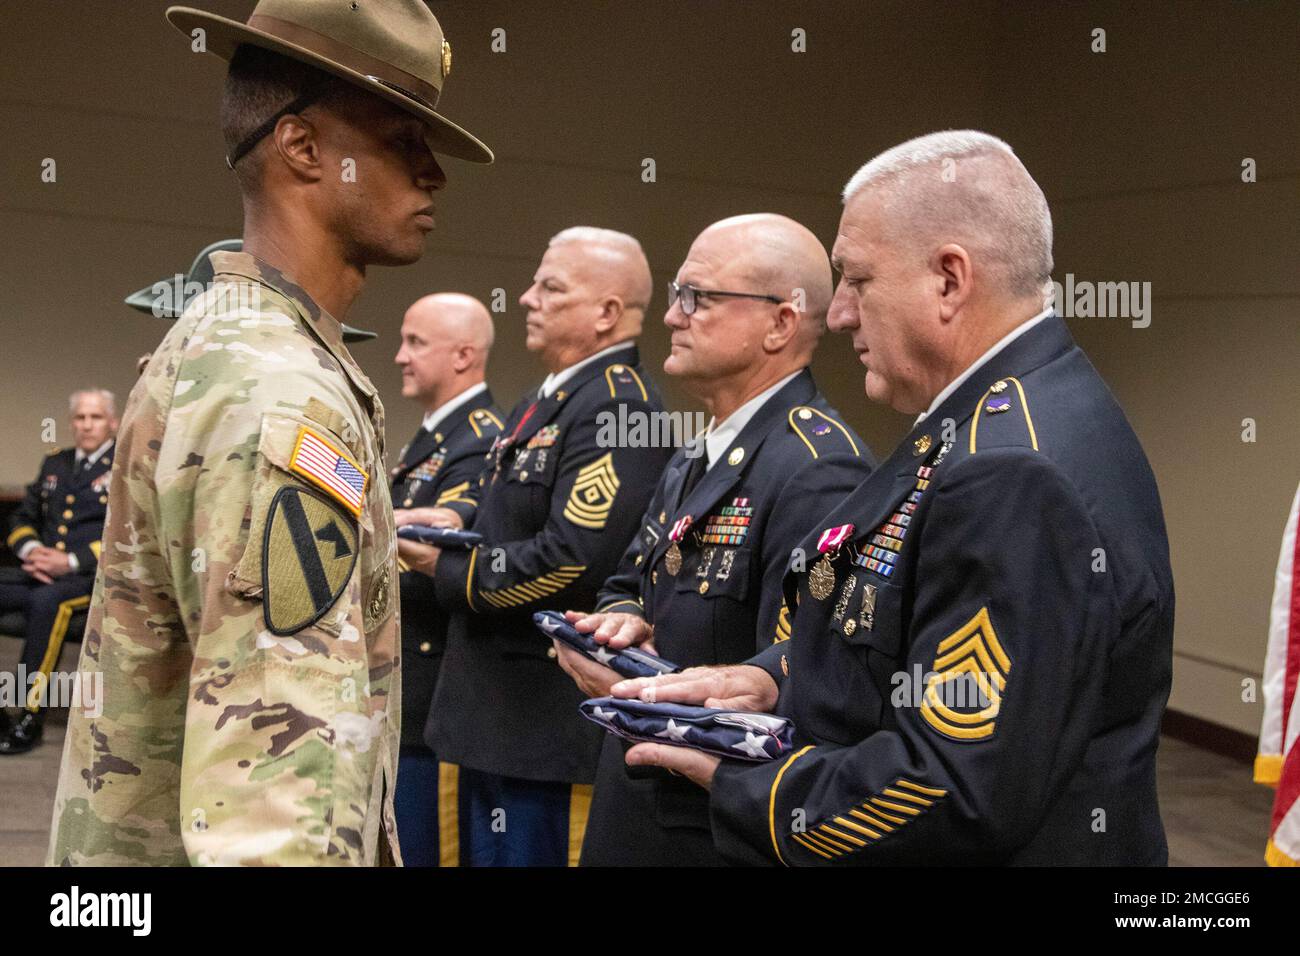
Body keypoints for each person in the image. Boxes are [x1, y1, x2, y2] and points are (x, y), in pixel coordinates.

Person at [613, 131, 1175, 866]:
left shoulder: (1010, 468)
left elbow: (951, 786)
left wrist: (742, 787)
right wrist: (771, 677)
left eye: (857, 278)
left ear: (949, 279)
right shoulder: (1004, 412)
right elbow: (896, 642)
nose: (838, 314)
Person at [47, 0, 492, 866]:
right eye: (404, 138)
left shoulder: (227, 342)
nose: (434, 173)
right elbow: (280, 799)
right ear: (302, 147)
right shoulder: (280, 392)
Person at [553, 213, 876, 865]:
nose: (672, 315)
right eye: (678, 294)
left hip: (711, 829)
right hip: (636, 798)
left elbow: (809, 666)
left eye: (697, 297)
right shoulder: (698, 451)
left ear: (780, 322)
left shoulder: (818, 467)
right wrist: (618, 629)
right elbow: (627, 582)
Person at [412, 227, 672, 866]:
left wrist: (447, 568)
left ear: (606, 312)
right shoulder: (547, 396)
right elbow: (512, 510)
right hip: (493, 714)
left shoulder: (621, 409)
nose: (527, 298)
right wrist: (456, 514)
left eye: (550, 288)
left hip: (542, 725)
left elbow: (570, 557)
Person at [388, 292, 503, 866]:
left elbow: (445, 533)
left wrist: (367, 518)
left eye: (415, 342)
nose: (400, 356)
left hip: (428, 690)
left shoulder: (480, 437)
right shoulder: (437, 435)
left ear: (462, 355)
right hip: (403, 685)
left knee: (424, 851)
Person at [0, 390, 118, 754]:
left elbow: (125, 533)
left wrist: (69, 562)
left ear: (113, 423)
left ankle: (29, 714)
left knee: (47, 602)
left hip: (87, 577)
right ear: (71, 423)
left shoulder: (123, 466)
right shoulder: (56, 463)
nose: (87, 425)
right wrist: (32, 551)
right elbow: (22, 517)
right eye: (80, 417)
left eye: (96, 417)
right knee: (32, 592)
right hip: (41, 571)